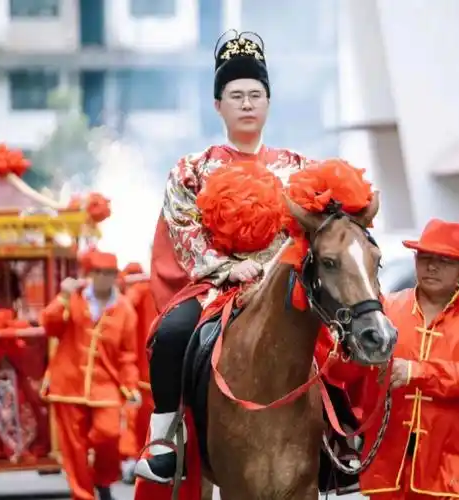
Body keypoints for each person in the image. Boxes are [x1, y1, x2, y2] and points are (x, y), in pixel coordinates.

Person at [138, 29, 307, 484]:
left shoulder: (297, 167)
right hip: (216, 285)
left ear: (269, 102)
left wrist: (274, 268)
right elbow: (184, 231)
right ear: (219, 105)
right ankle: (164, 441)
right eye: (236, 95)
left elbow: (308, 229)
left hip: (283, 282)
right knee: (172, 335)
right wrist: (231, 267)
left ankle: (341, 433)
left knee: (344, 329)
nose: (247, 103)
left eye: (256, 94)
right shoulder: (192, 168)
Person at [356, 219, 459, 499]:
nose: (432, 266)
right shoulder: (387, 307)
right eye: (425, 258)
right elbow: (355, 372)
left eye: (444, 260)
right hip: (394, 465)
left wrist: (417, 372)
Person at [40, 251, 140, 500]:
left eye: (110, 274)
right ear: (90, 275)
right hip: (67, 385)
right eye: (99, 273)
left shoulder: (125, 310)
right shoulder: (72, 299)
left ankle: (103, 480)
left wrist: (130, 386)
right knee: (74, 448)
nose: (105, 278)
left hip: (105, 385)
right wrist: (62, 296)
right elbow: (50, 326)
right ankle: (82, 495)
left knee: (109, 434)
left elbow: (128, 355)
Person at [118, 262, 158, 482]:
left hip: (141, 366)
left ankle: (135, 458)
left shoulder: (140, 288)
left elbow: (122, 306)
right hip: (145, 366)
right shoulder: (143, 287)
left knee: (137, 417)